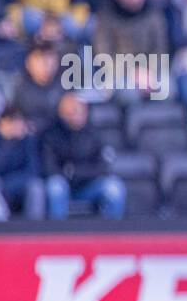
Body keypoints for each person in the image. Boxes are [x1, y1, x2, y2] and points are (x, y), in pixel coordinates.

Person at [41, 91, 125, 219]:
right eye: (70, 112)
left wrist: (75, 172)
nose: (75, 115)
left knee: (114, 187)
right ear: (61, 113)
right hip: (64, 186)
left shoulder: (94, 134)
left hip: (88, 185)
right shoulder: (51, 135)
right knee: (55, 187)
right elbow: (49, 168)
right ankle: (58, 235)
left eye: (79, 111)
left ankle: (111, 235)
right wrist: (68, 175)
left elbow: (103, 167)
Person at [0, 104, 45, 218]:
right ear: (1, 123)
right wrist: (8, 143)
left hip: (18, 183)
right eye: (12, 122)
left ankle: (35, 229)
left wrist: (11, 183)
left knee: (36, 187)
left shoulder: (28, 140)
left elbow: (33, 170)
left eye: (19, 122)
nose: (16, 126)